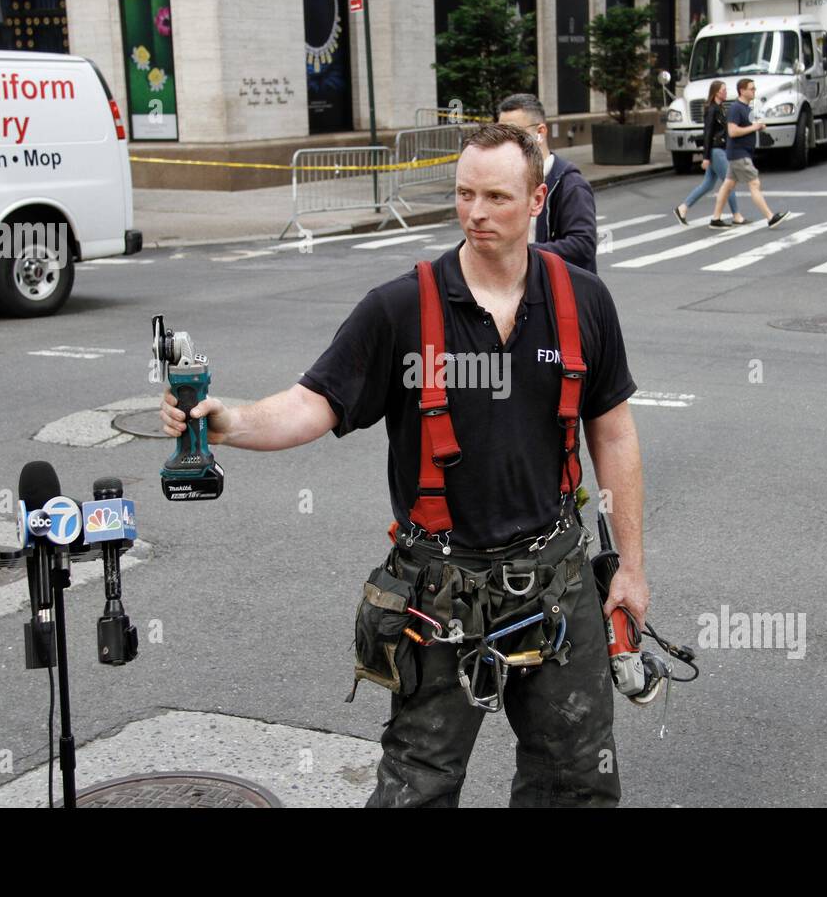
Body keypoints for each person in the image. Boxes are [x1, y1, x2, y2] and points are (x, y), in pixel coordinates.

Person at [160, 122, 648, 808]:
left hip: (556, 582)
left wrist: (629, 566)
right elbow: (312, 404)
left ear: (538, 200)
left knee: (575, 783)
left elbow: (616, 436)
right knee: (415, 788)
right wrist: (227, 422)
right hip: (440, 592)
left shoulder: (582, 300)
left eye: (498, 198)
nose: (476, 213)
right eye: (465, 193)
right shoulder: (398, 309)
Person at [497, 93, 599, 273]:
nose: (507, 142)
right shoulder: (504, 181)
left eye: (514, 133)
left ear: (540, 133)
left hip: (558, 291)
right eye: (501, 134)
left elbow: (583, 245)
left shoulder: (570, 184)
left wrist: (525, 253)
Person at [711, 78, 789, 230]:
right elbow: (732, 131)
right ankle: (770, 217)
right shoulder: (736, 108)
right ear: (742, 90)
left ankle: (715, 218)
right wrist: (754, 128)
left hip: (740, 153)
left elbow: (746, 127)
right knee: (754, 183)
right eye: (751, 88)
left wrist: (757, 126)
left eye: (754, 88)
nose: (754, 91)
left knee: (728, 185)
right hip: (739, 153)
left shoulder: (746, 108)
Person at [674, 80, 744, 225]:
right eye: (723, 90)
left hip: (720, 149)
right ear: (717, 92)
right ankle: (736, 215)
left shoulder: (721, 108)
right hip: (716, 150)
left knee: (708, 184)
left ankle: (683, 208)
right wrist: (706, 157)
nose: (726, 92)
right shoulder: (712, 109)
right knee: (729, 182)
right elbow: (708, 133)